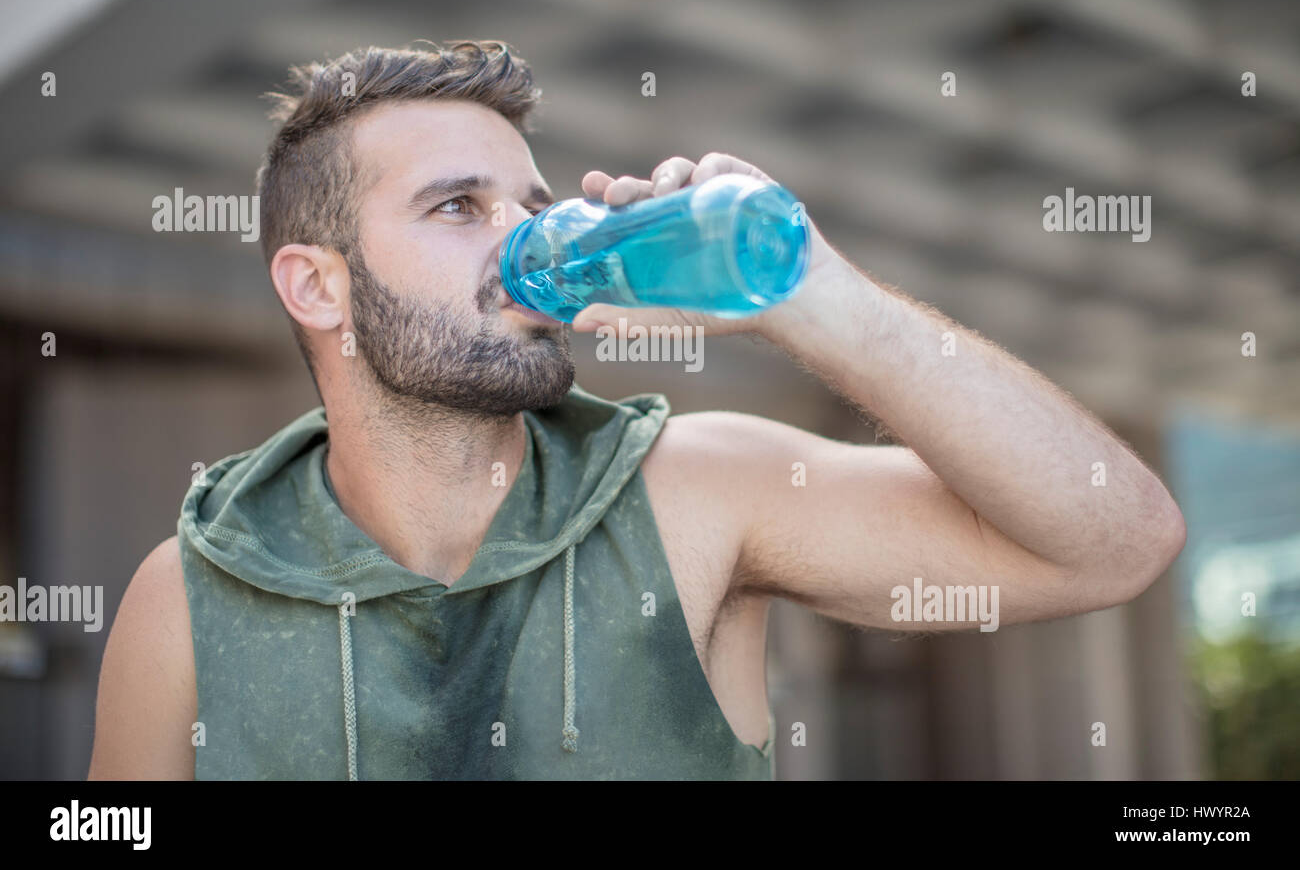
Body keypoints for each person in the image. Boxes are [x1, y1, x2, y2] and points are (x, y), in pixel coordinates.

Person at [88, 40, 1185, 779]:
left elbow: (1114, 543)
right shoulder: (189, 593)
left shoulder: (694, 490)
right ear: (317, 286)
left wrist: (820, 300)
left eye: (529, 203)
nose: (523, 241)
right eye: (457, 207)